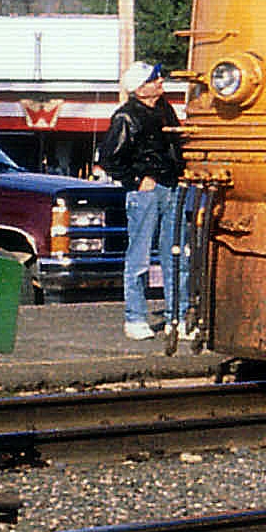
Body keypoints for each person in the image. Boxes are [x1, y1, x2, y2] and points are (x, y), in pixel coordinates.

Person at [100, 60, 188, 351]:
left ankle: (179, 316)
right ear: (140, 88)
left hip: (170, 187)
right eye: (154, 78)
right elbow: (109, 158)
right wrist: (137, 179)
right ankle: (135, 318)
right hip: (147, 192)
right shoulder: (125, 117)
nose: (161, 81)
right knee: (139, 257)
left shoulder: (165, 109)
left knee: (176, 254)